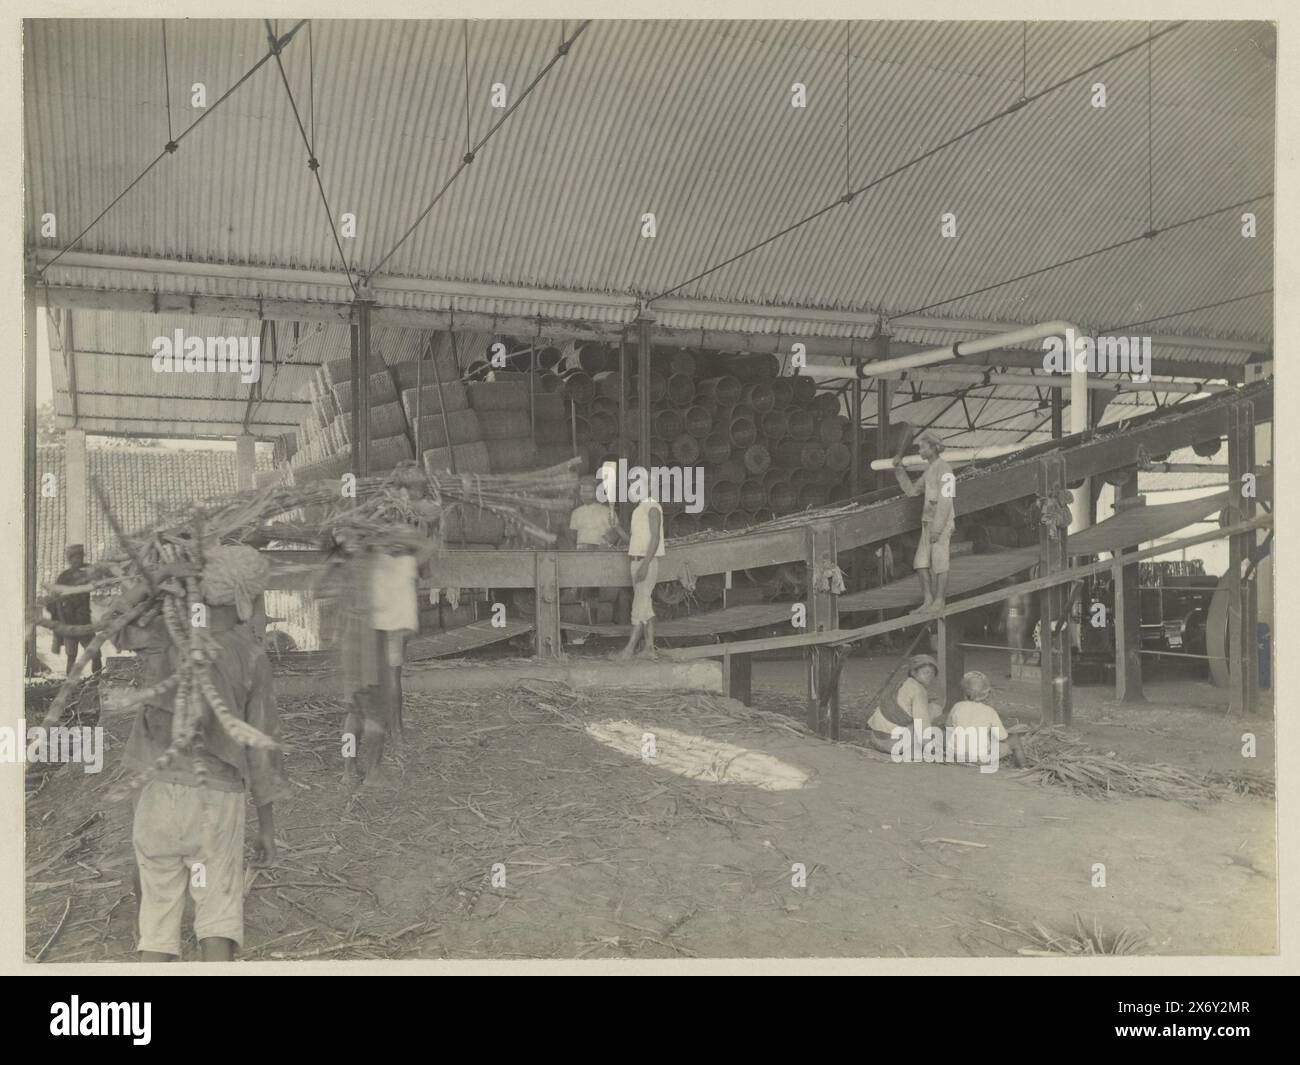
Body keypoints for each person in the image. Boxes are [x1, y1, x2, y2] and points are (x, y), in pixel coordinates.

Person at [120, 544, 285, 963]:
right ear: (247, 600)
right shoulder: (251, 656)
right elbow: (262, 749)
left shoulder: (166, 637)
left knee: (156, 926)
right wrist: (266, 827)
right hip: (216, 802)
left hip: (157, 796)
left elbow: (115, 623)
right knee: (217, 921)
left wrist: (159, 580)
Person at [893, 430, 955, 611]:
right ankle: (928, 600)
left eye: (922, 447)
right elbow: (912, 491)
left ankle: (939, 601)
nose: (919, 450)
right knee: (920, 563)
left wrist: (937, 528)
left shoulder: (945, 469)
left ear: (934, 448)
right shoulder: (929, 470)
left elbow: (946, 500)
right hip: (928, 522)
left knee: (940, 561)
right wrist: (899, 470)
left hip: (941, 523)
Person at [567, 476, 626, 640]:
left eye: (590, 490)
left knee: (593, 594)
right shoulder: (576, 513)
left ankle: (594, 632)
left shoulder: (606, 511)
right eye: (583, 491)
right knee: (582, 595)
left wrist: (605, 544)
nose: (587, 494)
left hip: (599, 555)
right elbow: (573, 536)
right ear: (579, 493)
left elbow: (615, 533)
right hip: (581, 554)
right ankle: (586, 631)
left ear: (596, 492)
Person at [616, 485, 664, 661]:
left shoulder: (652, 508)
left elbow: (656, 538)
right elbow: (633, 541)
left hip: (645, 562)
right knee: (645, 605)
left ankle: (628, 650)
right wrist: (617, 529)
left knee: (639, 606)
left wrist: (645, 565)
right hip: (636, 560)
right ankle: (650, 649)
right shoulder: (638, 510)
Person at [946, 670, 1024, 768]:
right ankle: (1024, 769)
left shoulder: (957, 707)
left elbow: (948, 727)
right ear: (986, 694)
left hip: (956, 756)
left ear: (964, 693)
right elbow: (1003, 737)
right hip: (981, 759)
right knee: (1014, 740)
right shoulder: (990, 711)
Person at [866, 653, 942, 754]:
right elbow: (921, 721)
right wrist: (929, 746)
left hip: (876, 738)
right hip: (892, 745)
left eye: (932, 674)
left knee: (928, 708)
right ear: (914, 673)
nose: (930, 677)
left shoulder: (903, 683)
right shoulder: (918, 690)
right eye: (925, 673)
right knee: (934, 709)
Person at [48, 544, 103, 677]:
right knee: (71, 657)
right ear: (70, 559)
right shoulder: (64, 577)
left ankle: (96, 682)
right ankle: (71, 686)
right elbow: (55, 600)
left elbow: (100, 576)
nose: (77, 560)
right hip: (69, 624)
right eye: (75, 557)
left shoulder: (86, 574)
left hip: (84, 622)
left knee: (95, 654)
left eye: (80, 557)